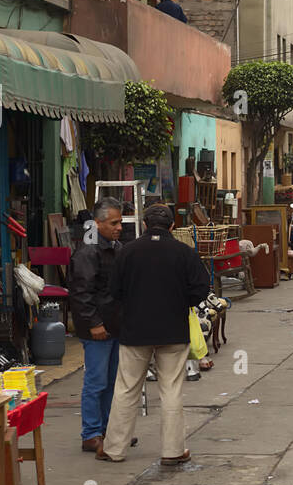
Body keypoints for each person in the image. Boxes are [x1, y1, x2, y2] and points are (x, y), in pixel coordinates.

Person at [98, 204, 211, 466]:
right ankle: (173, 451)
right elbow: (201, 288)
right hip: (173, 330)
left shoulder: (127, 252)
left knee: (126, 389)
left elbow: (113, 291)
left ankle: (114, 449)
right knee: (171, 389)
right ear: (172, 226)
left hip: (135, 330)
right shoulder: (184, 252)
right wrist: (182, 302)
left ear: (145, 225)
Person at [68, 198, 123, 453]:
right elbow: (81, 292)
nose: (119, 227)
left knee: (112, 381)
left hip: (113, 324)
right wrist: (94, 323)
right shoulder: (88, 251)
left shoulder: (114, 247)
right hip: (98, 327)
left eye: (120, 222)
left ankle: (108, 430)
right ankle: (91, 433)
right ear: (98, 223)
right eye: (113, 223)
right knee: (96, 381)